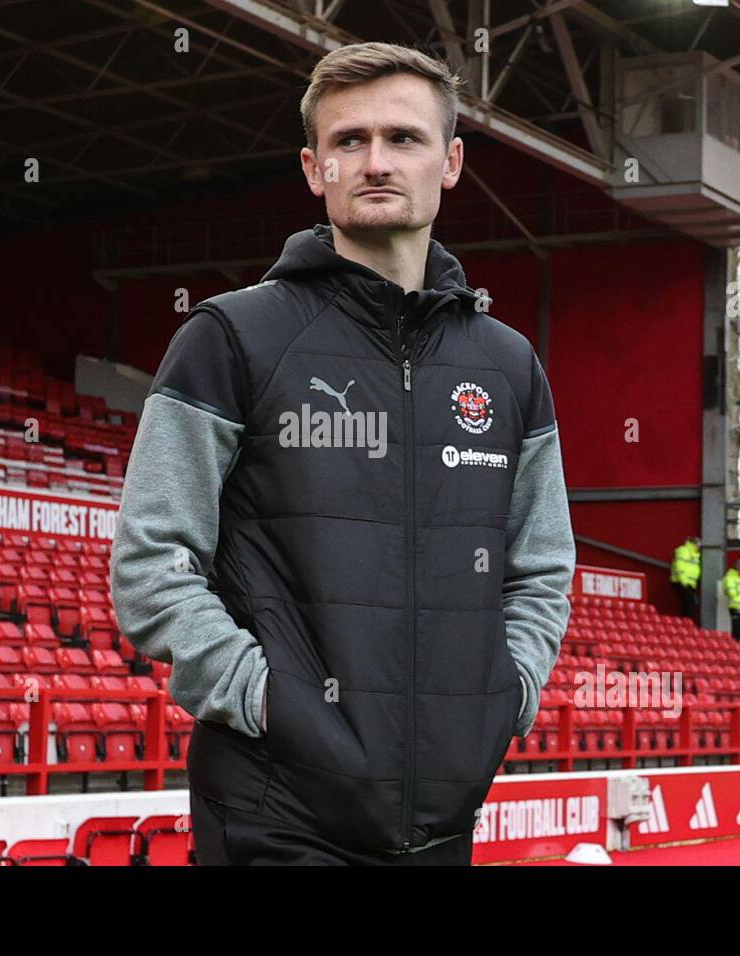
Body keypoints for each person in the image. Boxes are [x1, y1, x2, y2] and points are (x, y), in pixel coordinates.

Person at [109, 41, 574, 866]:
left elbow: (539, 569)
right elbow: (152, 564)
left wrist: (503, 696)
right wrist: (268, 700)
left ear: (452, 161)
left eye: (403, 137)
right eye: (348, 141)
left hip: (444, 818)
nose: (375, 161)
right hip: (274, 811)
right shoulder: (231, 338)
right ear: (313, 168)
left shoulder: (507, 366)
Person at [670, 535, 700, 621]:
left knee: (690, 603)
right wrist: (683, 581)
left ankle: (686, 623)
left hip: (689, 583)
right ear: (694, 543)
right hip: (682, 582)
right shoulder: (684, 550)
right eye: (698, 544)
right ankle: (686, 623)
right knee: (690, 603)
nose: (699, 547)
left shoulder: (694, 554)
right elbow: (679, 566)